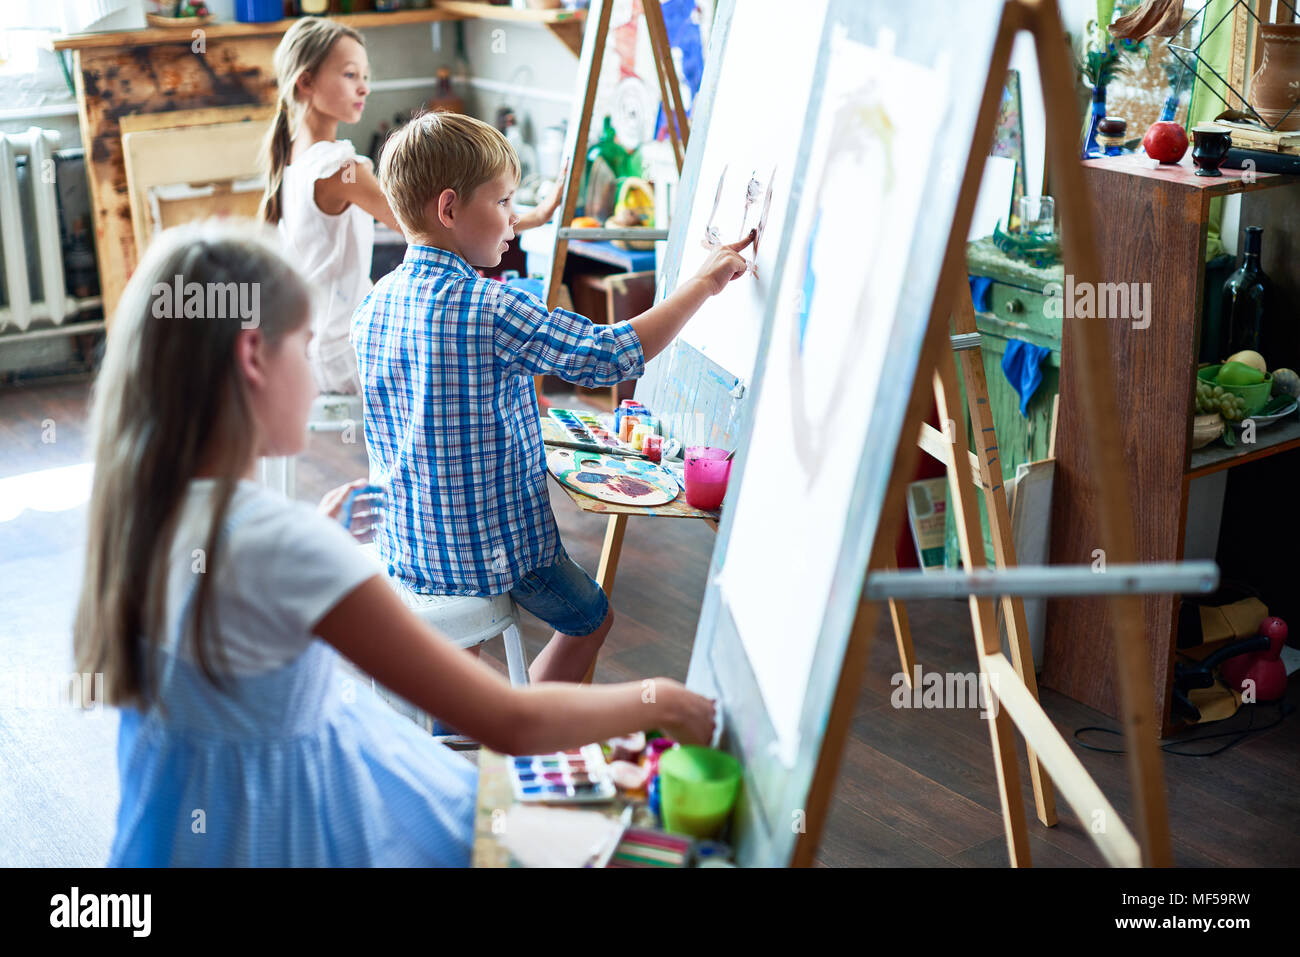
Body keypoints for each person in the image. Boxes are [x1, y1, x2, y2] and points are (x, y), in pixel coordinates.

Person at [73, 219, 716, 867]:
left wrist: (313, 548)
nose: (319, 370)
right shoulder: (278, 546)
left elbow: (235, 636)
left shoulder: (147, 512)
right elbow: (508, 721)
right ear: (252, 357)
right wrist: (661, 700)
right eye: (303, 344)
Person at [353, 111, 753, 684]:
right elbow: (610, 354)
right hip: (492, 551)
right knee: (592, 618)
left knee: (461, 645)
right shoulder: (492, 307)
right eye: (503, 203)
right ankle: (520, 722)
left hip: (408, 544)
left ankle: (458, 720)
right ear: (448, 210)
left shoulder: (377, 300)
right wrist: (704, 284)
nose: (513, 220)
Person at [260, 17, 565, 395]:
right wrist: (535, 217)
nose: (364, 88)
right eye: (351, 75)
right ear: (306, 82)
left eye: (366, 76)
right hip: (341, 351)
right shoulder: (339, 167)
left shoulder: (294, 159)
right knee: (485, 352)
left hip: (310, 345)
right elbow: (431, 227)